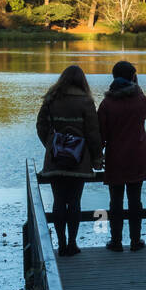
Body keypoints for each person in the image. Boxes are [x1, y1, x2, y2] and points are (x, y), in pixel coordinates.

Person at [36, 64, 103, 257]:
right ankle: (72, 244)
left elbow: (41, 126)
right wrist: (97, 157)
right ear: (82, 80)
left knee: (58, 201)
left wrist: (51, 146)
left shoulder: (51, 99)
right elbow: (93, 133)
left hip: (55, 160)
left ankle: (62, 244)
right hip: (79, 161)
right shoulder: (86, 102)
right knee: (74, 202)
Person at [97, 60, 146, 252]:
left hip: (116, 158)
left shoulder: (107, 103)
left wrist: (97, 155)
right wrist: (138, 88)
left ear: (114, 77)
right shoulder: (139, 100)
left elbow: (101, 134)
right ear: (133, 77)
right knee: (135, 200)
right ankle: (135, 241)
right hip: (137, 156)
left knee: (115, 201)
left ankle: (115, 242)